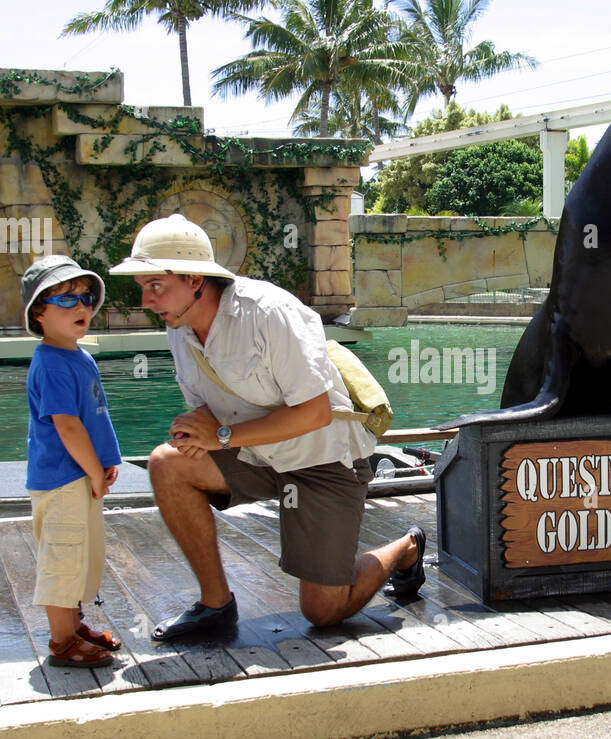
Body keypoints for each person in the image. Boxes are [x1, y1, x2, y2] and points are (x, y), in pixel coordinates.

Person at [108, 214, 424, 638]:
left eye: (156, 286)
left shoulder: (269, 312)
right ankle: (215, 605)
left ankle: (406, 547)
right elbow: (208, 412)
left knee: (323, 612)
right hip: (256, 453)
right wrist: (197, 428)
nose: (146, 301)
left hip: (324, 460)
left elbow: (315, 414)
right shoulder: (180, 327)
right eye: (143, 288)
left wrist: (221, 436)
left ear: (195, 279)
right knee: (167, 463)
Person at [21, 255, 124, 668]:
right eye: (66, 300)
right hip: (63, 479)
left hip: (81, 475)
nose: (81, 307)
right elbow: (67, 427)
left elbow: (92, 418)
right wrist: (93, 470)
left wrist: (104, 461)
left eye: (84, 299)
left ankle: (74, 621)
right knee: (63, 559)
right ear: (39, 314)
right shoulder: (51, 363)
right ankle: (62, 641)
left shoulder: (79, 357)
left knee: (83, 556)